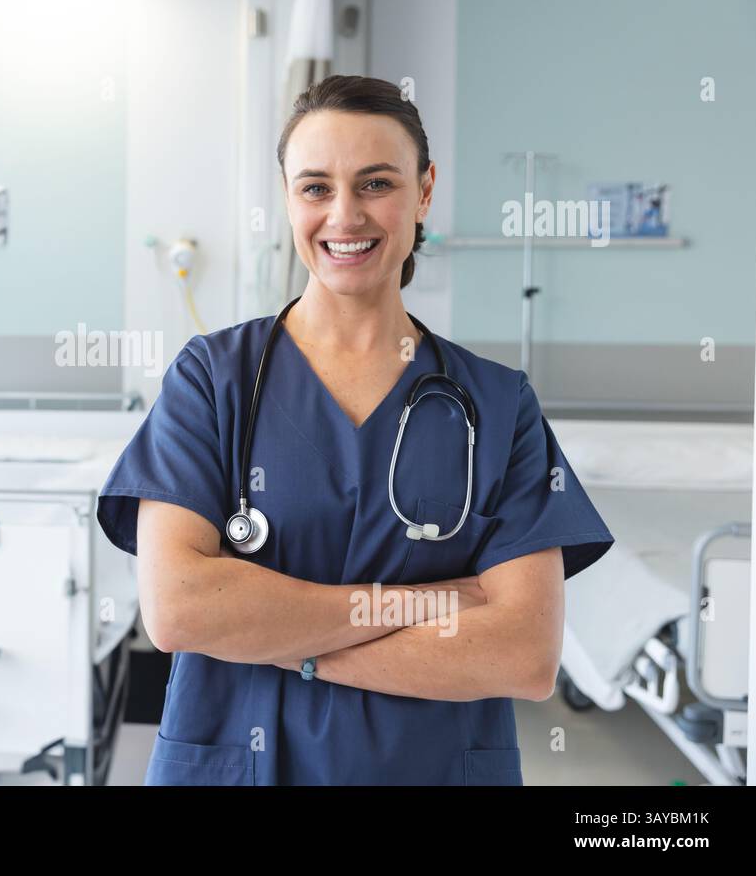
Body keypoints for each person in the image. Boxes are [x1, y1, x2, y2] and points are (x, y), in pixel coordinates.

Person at [96, 74, 615, 785]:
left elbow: (522, 652)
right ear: (287, 198)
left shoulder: (497, 404)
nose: (345, 215)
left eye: (376, 183)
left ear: (425, 190)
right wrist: (429, 602)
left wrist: (283, 639)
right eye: (315, 188)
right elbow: (180, 609)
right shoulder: (212, 380)